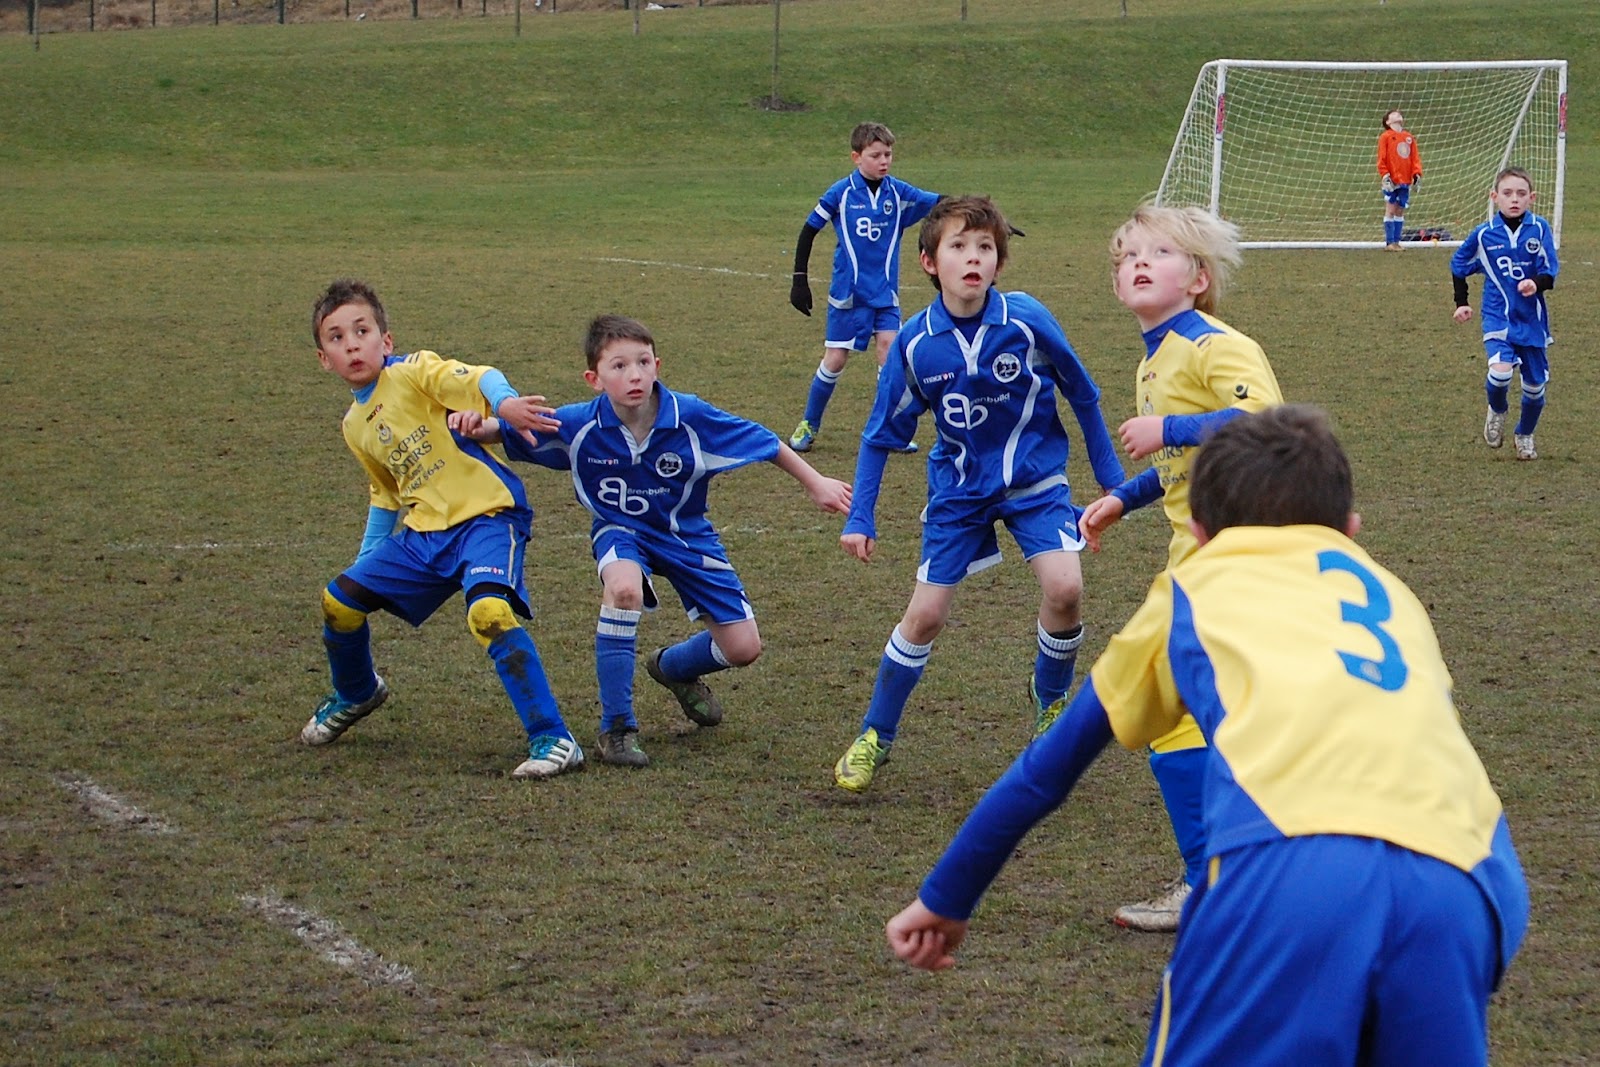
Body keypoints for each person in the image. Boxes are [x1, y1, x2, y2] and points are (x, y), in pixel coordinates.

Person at [887, 405, 1530, 1067]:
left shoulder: (1193, 586)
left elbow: (1045, 773)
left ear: (1199, 531)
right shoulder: (1393, 593)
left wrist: (947, 896)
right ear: (1350, 529)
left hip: (1292, 865)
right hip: (1473, 875)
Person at [456, 314, 852, 768]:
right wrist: (473, 424)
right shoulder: (578, 425)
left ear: (658, 365)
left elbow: (764, 441)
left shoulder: (690, 416)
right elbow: (505, 432)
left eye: (643, 362)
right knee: (623, 588)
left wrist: (815, 481)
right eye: (619, 366)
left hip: (685, 534)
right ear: (594, 379)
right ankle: (617, 729)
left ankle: (672, 668)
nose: (634, 375)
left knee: (743, 649)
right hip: (620, 531)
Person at [831, 195, 1125, 794]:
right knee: (926, 616)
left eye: (985, 247)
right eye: (958, 246)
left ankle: (1049, 708)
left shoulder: (1027, 321)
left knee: (1066, 588)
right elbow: (878, 436)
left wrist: (1111, 479)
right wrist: (861, 515)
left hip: (1036, 483)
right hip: (959, 493)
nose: (973, 258)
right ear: (928, 262)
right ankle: (875, 735)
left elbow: (1084, 394)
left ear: (1000, 261)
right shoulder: (916, 344)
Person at [1079, 204, 1283, 932]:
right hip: (1199, 557)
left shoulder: (1212, 344)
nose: (1136, 262)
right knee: (1198, 718)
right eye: (1126, 254)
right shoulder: (1157, 356)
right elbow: (1178, 466)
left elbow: (1266, 424)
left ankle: (1215, 884)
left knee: (1169, 714)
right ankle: (1239, 874)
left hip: (1230, 559)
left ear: (1197, 279)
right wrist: (1123, 500)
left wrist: (1172, 425)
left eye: (1157, 252)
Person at [302, 278, 584, 779]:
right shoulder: (353, 425)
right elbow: (385, 494)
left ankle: (554, 738)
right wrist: (366, 561)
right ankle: (357, 692)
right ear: (324, 358)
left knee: (489, 612)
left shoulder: (412, 372)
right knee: (338, 601)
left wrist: (506, 405)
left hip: (487, 517)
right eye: (337, 337)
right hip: (423, 535)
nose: (352, 344)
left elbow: (481, 376)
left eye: (362, 331)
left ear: (385, 341)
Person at [786, 121, 943, 454]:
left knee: (890, 353)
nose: (884, 161)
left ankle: (886, 429)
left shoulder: (898, 193)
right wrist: (799, 280)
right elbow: (808, 231)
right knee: (836, 359)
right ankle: (809, 424)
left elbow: (941, 203)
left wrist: (987, 213)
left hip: (885, 294)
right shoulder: (840, 193)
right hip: (848, 295)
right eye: (875, 155)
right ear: (856, 157)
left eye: (888, 154)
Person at [1451, 166, 1559, 461]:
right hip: (1497, 317)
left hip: (1532, 321)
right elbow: (1458, 265)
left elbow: (1550, 273)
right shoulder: (1484, 235)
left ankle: (1524, 434)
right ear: (1494, 197)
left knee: (1535, 388)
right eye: (1508, 193)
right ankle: (1497, 410)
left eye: (1521, 194)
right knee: (1499, 375)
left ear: (1531, 197)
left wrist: (1534, 283)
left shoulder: (1539, 230)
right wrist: (1461, 302)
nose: (1515, 199)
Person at [1377, 108, 1422, 250]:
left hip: (1405, 180)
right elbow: (1381, 159)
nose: (1398, 114)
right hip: (1392, 180)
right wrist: (1385, 175)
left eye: (1399, 113)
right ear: (1388, 121)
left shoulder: (1409, 137)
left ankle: (1397, 242)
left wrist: (1417, 174)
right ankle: (1389, 242)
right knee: (1390, 209)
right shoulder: (1385, 137)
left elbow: (1415, 158)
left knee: (1400, 210)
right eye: (1393, 114)